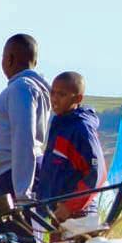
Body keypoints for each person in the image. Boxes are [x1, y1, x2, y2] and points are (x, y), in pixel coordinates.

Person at [0, 34, 51, 243]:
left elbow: (23, 137)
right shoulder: (34, 87)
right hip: (12, 176)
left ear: (10, 58)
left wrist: (22, 192)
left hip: (14, 176)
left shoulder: (20, 88)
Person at [34, 71, 103, 229]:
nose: (54, 99)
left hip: (79, 217)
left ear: (77, 99)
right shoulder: (60, 124)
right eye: (53, 93)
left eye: (62, 94)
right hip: (60, 215)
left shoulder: (81, 129)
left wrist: (70, 206)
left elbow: (96, 173)